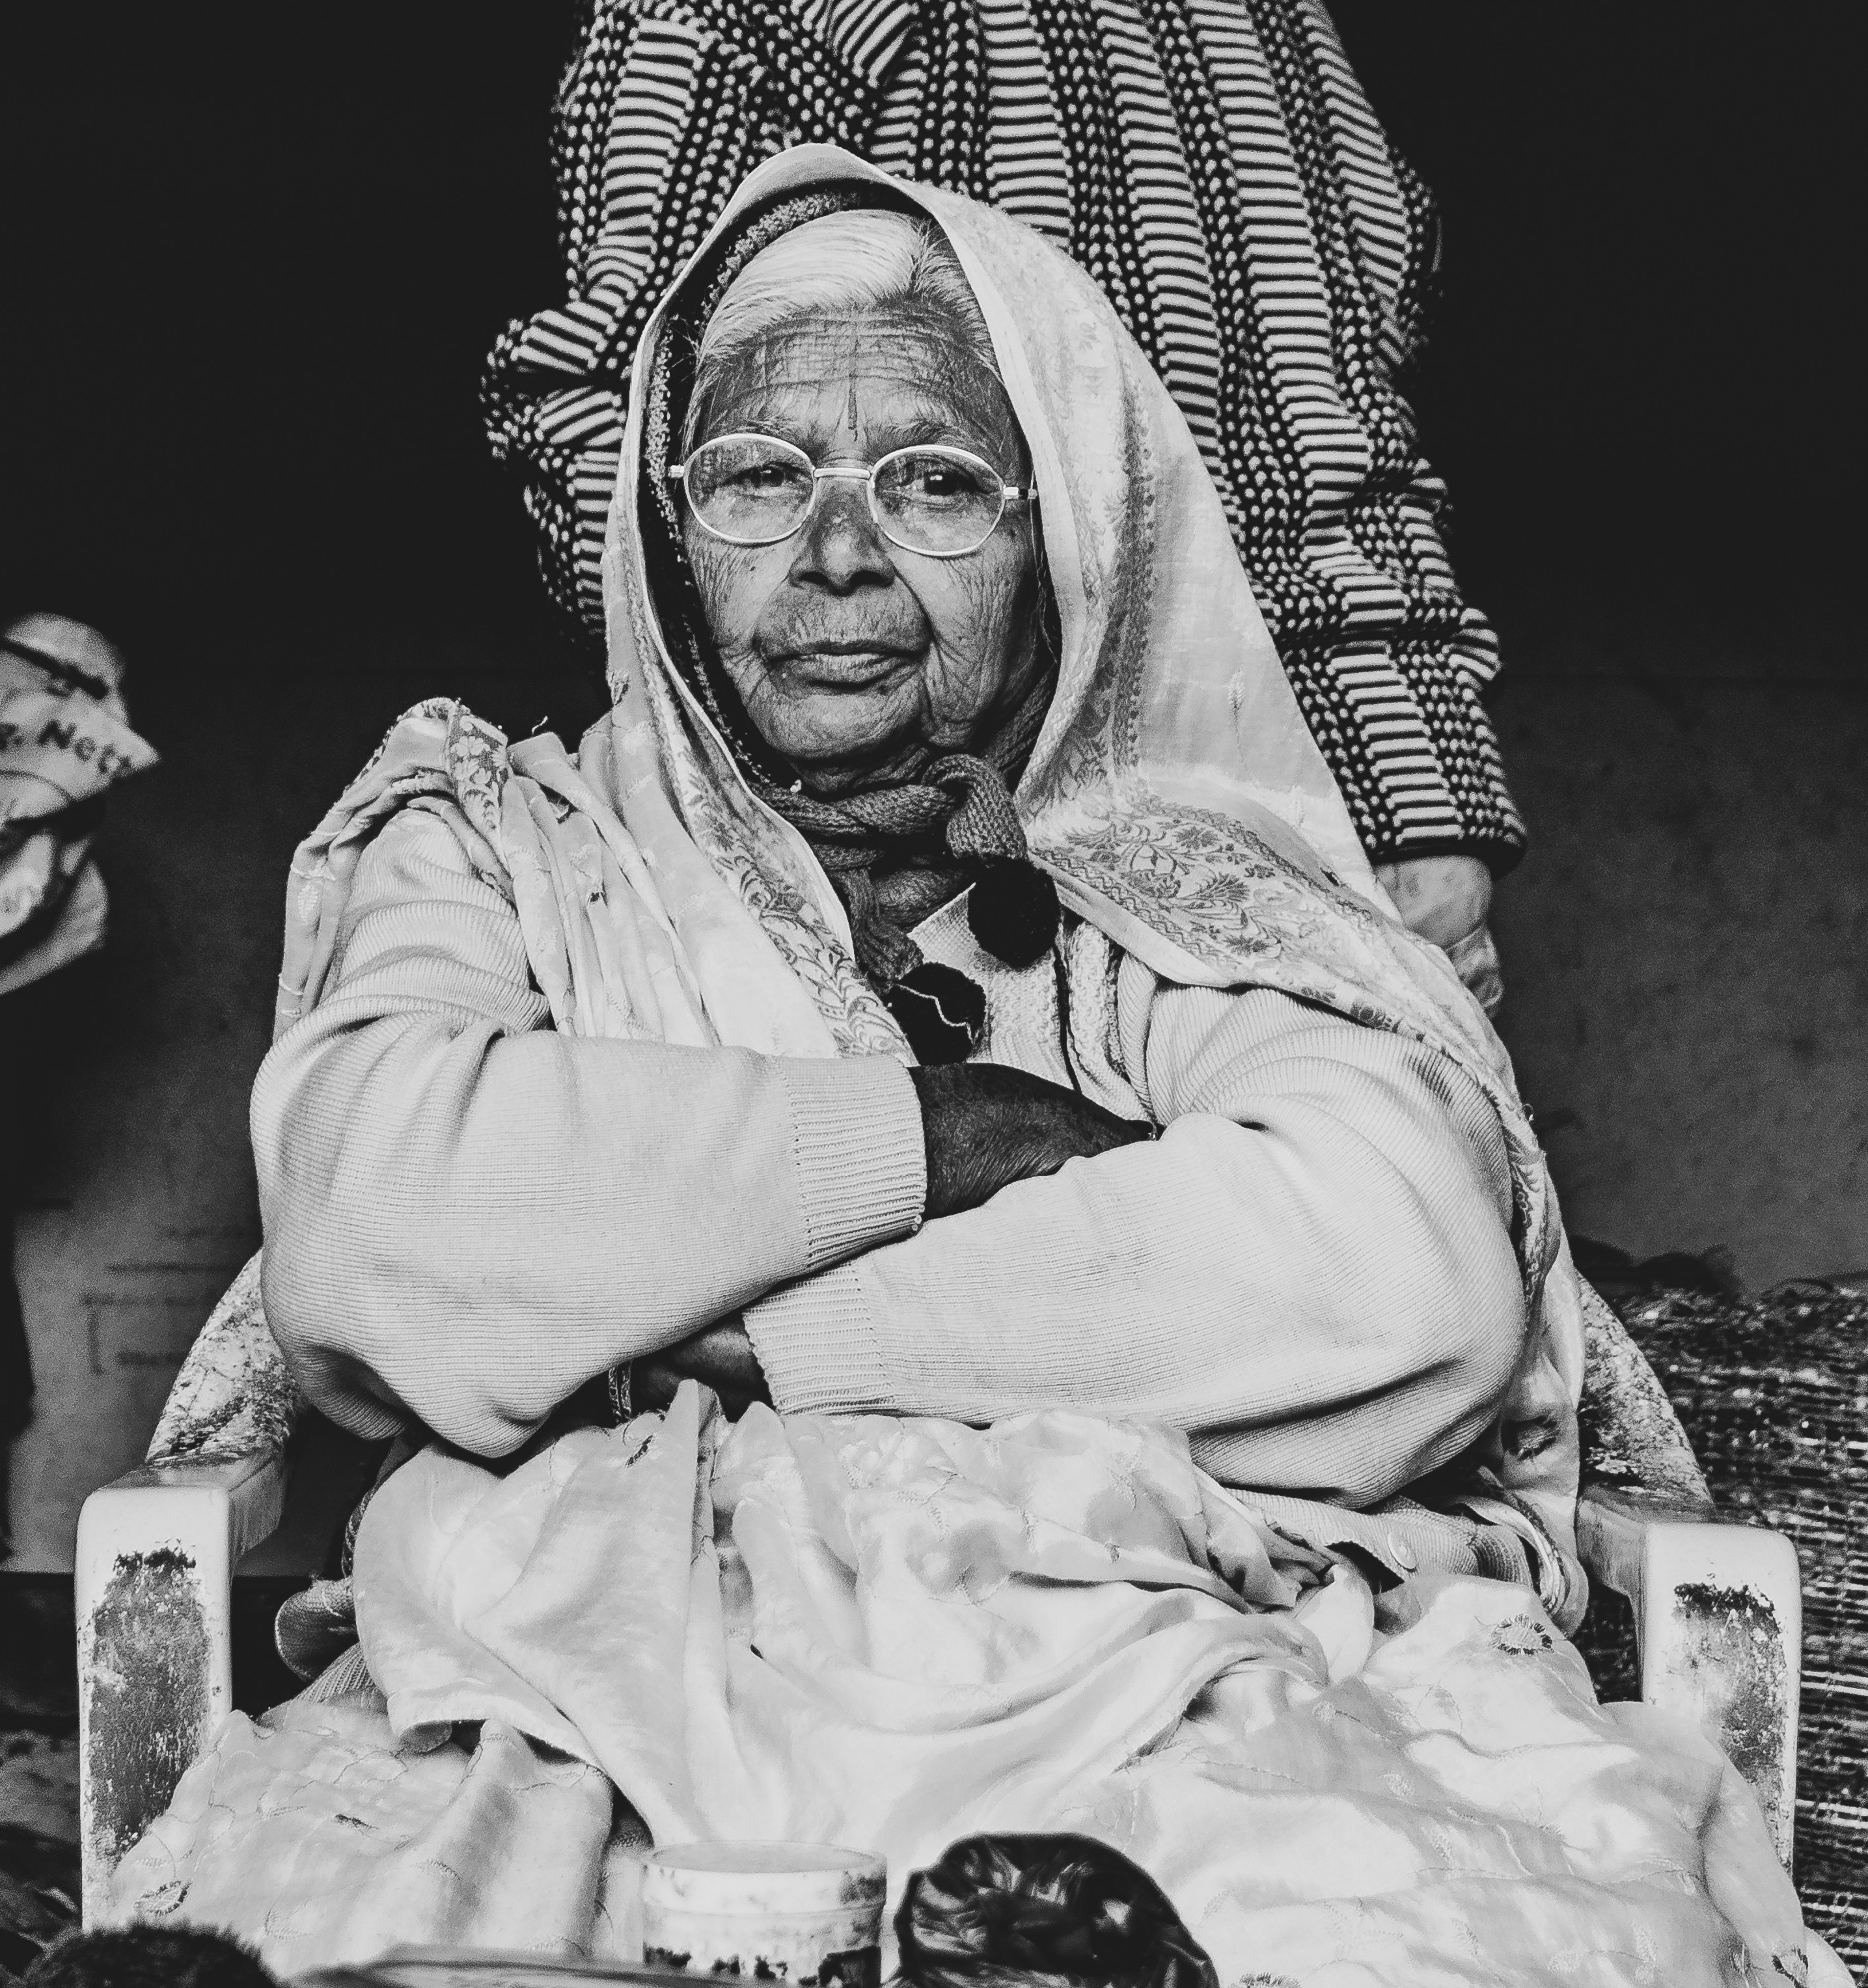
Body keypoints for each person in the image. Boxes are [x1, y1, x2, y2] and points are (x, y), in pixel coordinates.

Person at [105, 150, 1832, 1986]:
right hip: (573, 1703)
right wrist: (948, 1140)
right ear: (669, 537)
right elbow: (377, 1228)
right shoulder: (501, 849)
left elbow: (1396, 1270)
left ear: (1051, 534)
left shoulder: (1182, 897)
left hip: (1189, 1693)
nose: (834, 555)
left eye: (932, 483)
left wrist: (712, 1330)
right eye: (758, 478)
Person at [481, 0, 1513, 1005]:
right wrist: (826, 754)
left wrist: (1422, 806)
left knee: (1348, 1156)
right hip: (957, 857)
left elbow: (1341, 412)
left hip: (1348, 839)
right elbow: (635, 419)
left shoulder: (1266, 23)